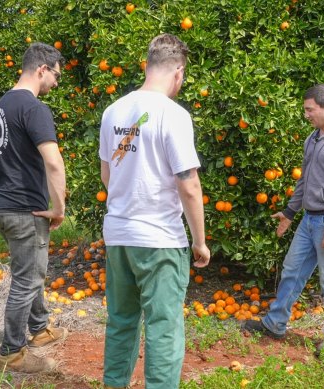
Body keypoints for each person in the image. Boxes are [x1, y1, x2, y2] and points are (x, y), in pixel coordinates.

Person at [99, 33, 211, 389]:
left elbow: (107, 173)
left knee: (121, 321)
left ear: (147, 65)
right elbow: (189, 185)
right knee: (163, 327)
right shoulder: (173, 115)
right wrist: (200, 242)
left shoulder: (112, 111)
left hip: (118, 236)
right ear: (178, 72)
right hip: (160, 240)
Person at [244, 83, 324, 354]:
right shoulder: (313, 138)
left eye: (310, 109)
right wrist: (289, 213)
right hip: (309, 220)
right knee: (292, 270)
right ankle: (275, 323)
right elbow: (305, 181)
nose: (306, 114)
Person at [0, 42, 68, 373]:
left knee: (28, 268)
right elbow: (53, 162)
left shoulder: (2, 105)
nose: (57, 83)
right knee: (28, 278)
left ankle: (40, 329)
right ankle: (12, 353)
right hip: (24, 208)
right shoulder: (34, 108)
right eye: (56, 75)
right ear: (41, 70)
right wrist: (59, 207)